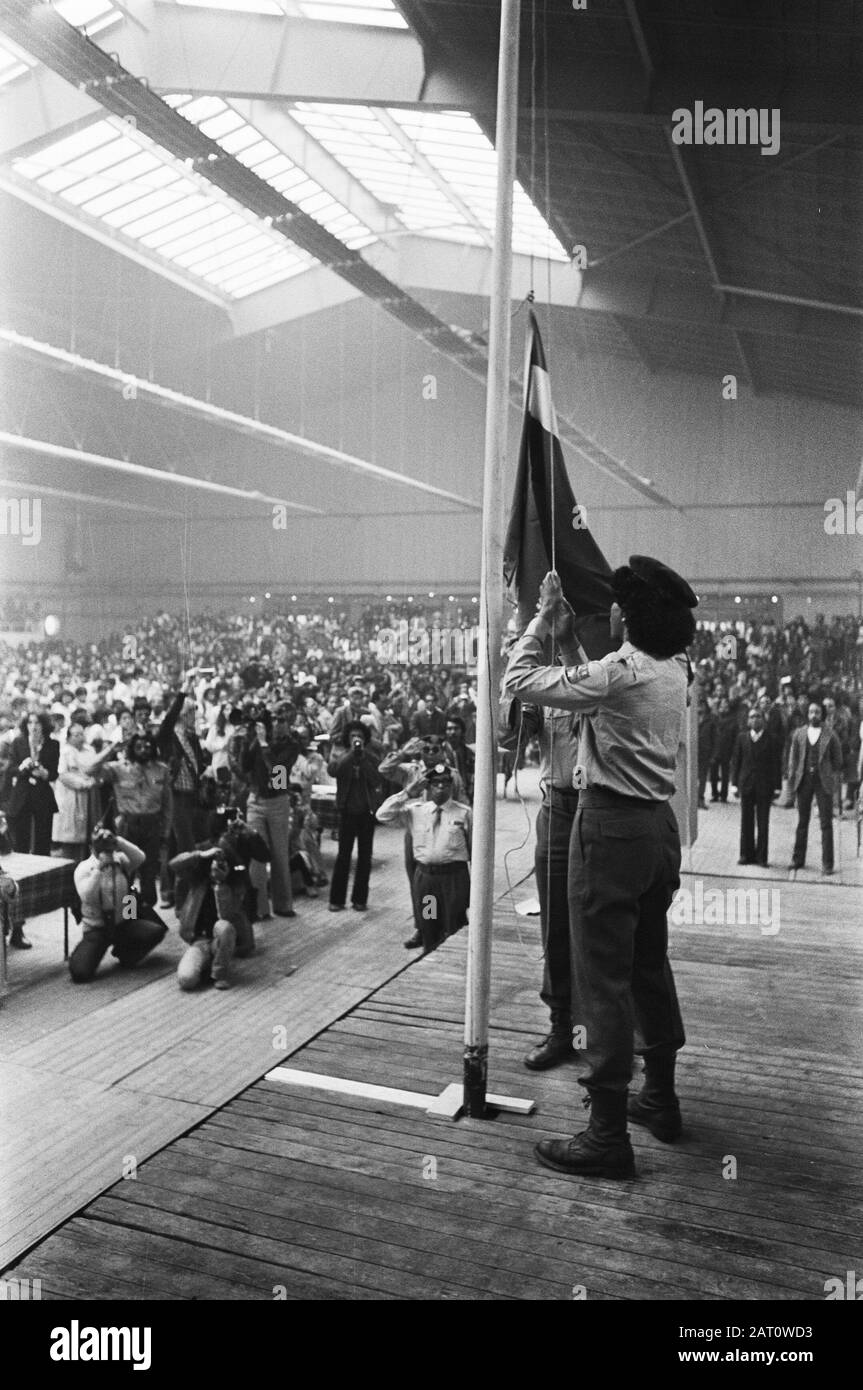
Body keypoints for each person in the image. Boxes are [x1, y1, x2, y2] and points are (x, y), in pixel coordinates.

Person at [503, 557, 697, 1180]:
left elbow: (519, 679)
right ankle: (660, 1098)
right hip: (657, 831)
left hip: (609, 832)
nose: (609, 610)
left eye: (616, 605)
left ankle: (607, 1132)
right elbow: (591, 680)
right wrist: (568, 637)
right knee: (646, 961)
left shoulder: (619, 672)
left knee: (601, 979)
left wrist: (539, 619)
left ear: (627, 617)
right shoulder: (676, 668)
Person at [520, 703, 583, 1070]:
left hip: (605, 804)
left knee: (601, 925)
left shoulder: (613, 667)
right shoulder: (545, 682)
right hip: (558, 806)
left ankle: (601, 1032)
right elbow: (507, 736)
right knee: (555, 924)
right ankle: (563, 1027)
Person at [377, 762, 471, 953]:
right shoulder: (416, 811)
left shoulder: (464, 813)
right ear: (428, 786)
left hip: (453, 880)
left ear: (452, 786)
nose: (441, 787)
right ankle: (429, 956)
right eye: (436, 783)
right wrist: (407, 793)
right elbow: (382, 815)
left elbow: (475, 852)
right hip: (428, 882)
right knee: (430, 923)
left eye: (445, 783)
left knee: (454, 926)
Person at [171, 821, 267, 990]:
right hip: (199, 941)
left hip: (222, 939)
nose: (218, 864)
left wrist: (221, 884)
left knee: (225, 927)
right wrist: (200, 855)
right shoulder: (198, 880)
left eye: (223, 862)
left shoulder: (235, 884)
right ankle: (206, 963)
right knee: (186, 980)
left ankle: (219, 973)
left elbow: (228, 915)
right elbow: (173, 865)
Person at [69, 828, 168, 983]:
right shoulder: (84, 868)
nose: (105, 849)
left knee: (155, 931)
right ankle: (86, 953)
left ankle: (125, 955)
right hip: (97, 928)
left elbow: (140, 857)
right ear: (91, 847)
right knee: (80, 973)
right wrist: (99, 869)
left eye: (108, 845)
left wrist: (119, 841)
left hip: (123, 922)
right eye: (100, 845)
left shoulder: (121, 860)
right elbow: (87, 896)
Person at [92, 732, 172, 909]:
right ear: (132, 749)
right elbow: (90, 769)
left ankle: (147, 915)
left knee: (149, 873)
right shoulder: (119, 768)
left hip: (152, 826)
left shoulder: (161, 769)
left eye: (147, 746)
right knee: (127, 873)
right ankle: (130, 916)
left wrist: (165, 832)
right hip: (128, 826)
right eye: (139, 747)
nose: (143, 750)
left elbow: (167, 804)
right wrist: (112, 748)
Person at [241, 705, 299, 919]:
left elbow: (278, 776)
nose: (276, 724)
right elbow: (243, 765)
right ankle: (258, 908)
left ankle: (283, 904)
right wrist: (251, 739)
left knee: (279, 854)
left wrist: (264, 744)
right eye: (273, 719)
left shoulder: (292, 745)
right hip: (255, 800)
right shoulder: (258, 738)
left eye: (281, 720)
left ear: (288, 723)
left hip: (278, 801)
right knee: (256, 855)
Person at [327, 721, 383, 912]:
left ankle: (360, 899)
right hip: (347, 812)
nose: (356, 739)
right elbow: (333, 770)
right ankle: (336, 899)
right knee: (343, 856)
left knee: (365, 857)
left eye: (359, 736)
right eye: (352, 736)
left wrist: (363, 758)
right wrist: (351, 754)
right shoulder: (340, 754)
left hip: (366, 812)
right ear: (347, 738)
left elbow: (376, 779)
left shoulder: (371, 757)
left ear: (365, 738)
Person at [787, 702, 844, 875]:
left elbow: (838, 761)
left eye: (817, 712)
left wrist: (831, 778)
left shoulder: (830, 735)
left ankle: (827, 864)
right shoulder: (800, 734)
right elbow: (793, 759)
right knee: (802, 821)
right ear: (807, 714)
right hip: (804, 780)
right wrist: (792, 781)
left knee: (826, 823)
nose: (814, 715)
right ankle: (798, 860)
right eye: (811, 712)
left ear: (822, 715)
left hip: (822, 781)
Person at [6, 711, 60, 854]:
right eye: (30, 723)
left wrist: (45, 773)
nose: (33, 726)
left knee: (43, 838)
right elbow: (10, 769)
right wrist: (22, 767)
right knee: (20, 839)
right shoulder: (18, 742)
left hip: (42, 794)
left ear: (44, 725)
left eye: (37, 723)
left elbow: (54, 773)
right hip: (22, 794)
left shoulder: (53, 744)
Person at [730, 707, 776, 866]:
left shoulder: (771, 739)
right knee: (746, 821)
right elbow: (736, 761)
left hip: (765, 786)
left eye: (758, 716)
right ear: (748, 721)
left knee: (763, 823)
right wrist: (734, 784)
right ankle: (745, 855)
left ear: (763, 720)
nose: (755, 719)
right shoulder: (742, 738)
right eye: (752, 716)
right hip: (747, 785)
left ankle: (762, 857)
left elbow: (776, 764)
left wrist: (777, 787)